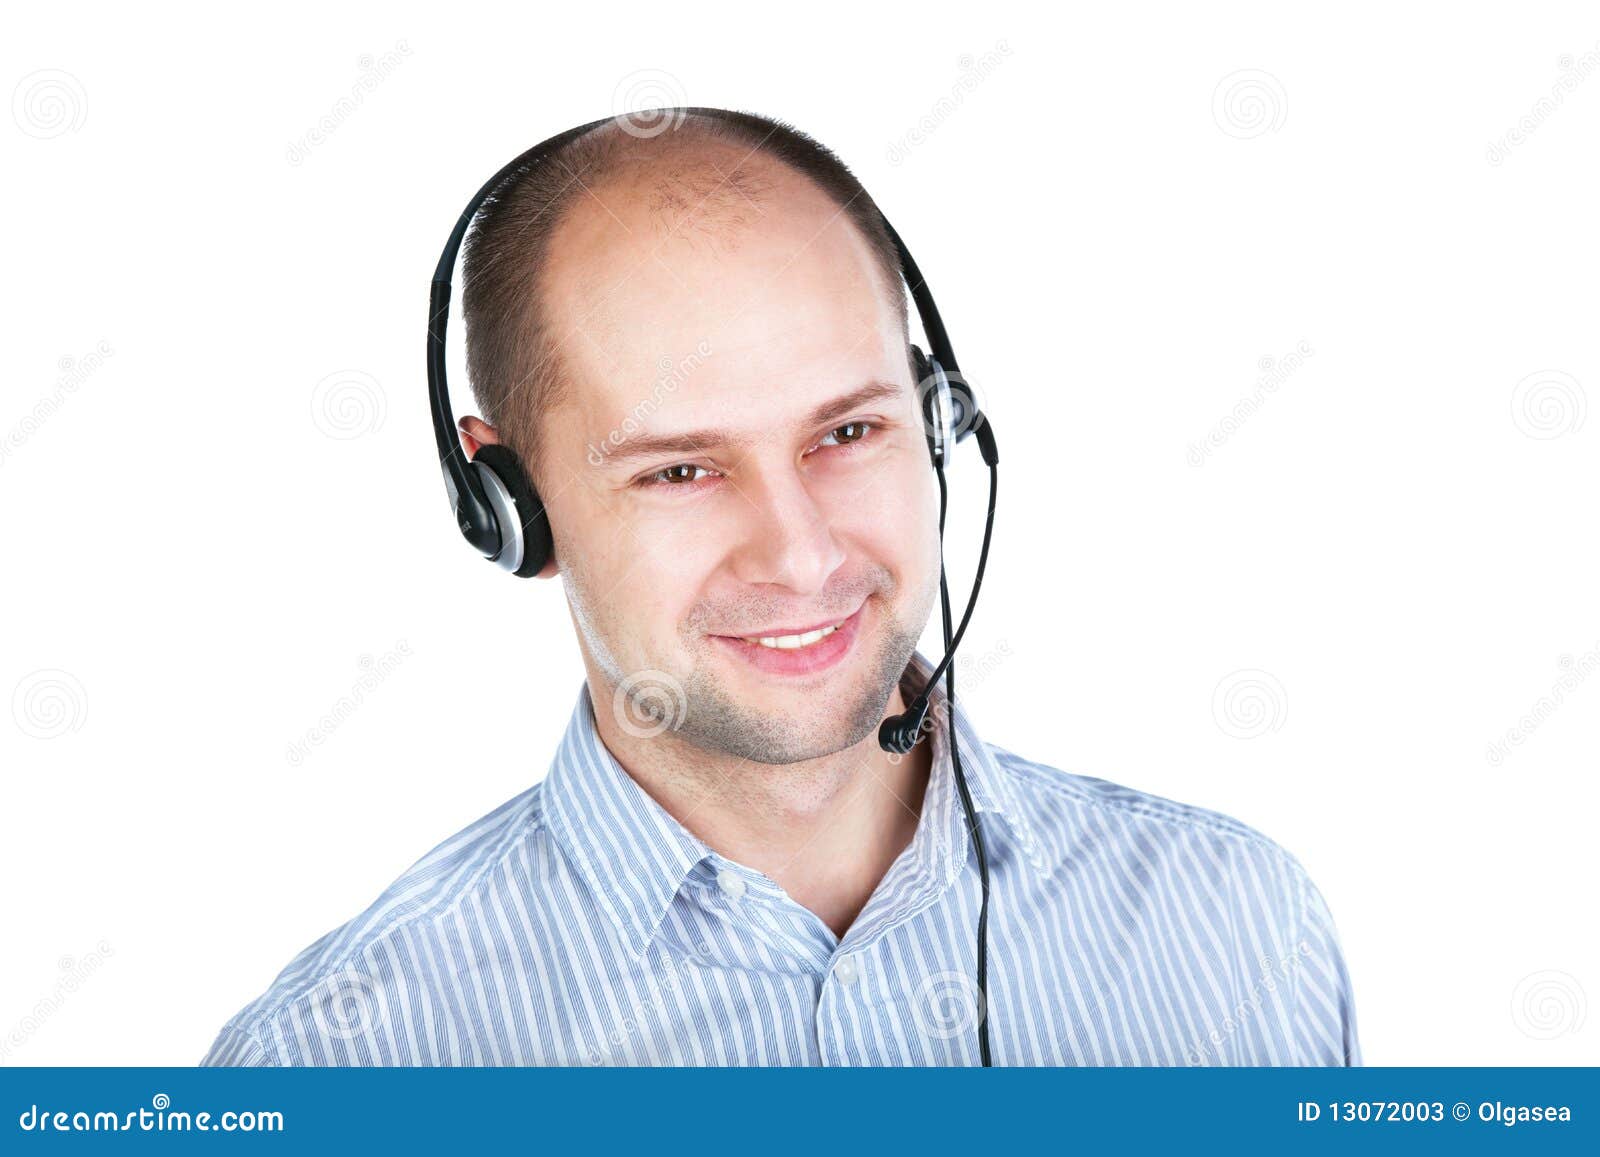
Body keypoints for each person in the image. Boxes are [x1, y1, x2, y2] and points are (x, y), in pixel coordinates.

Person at [201, 108, 1360, 1066]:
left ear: (939, 422)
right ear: (511, 504)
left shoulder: (1240, 926)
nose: (801, 556)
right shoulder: (337, 1062)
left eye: (848, 430)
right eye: (682, 469)